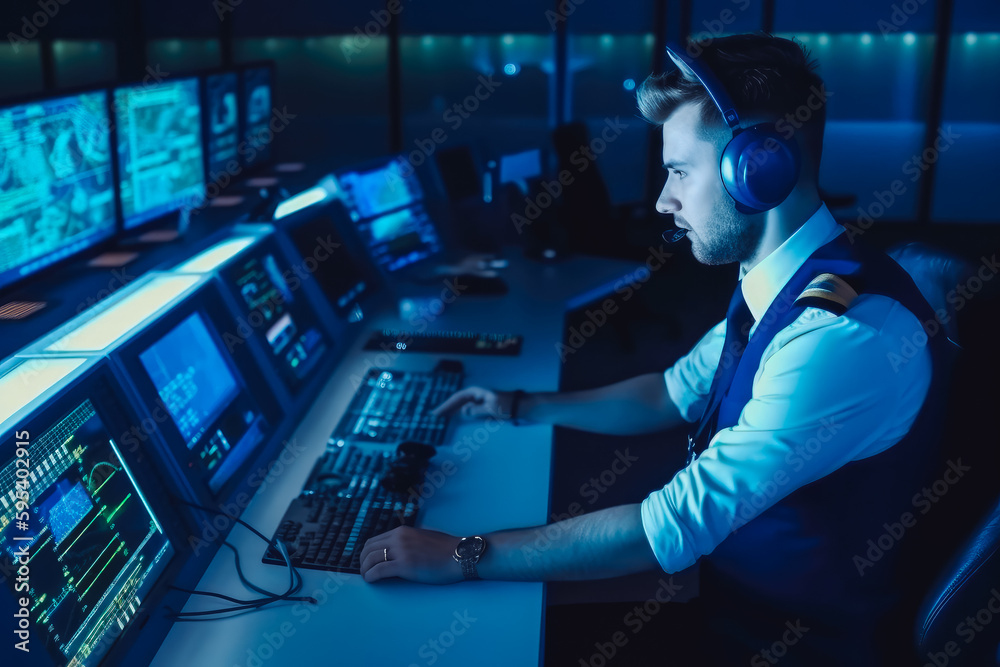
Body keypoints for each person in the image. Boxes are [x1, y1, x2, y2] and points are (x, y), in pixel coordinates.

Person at [360, 33, 948, 665]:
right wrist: (519, 405)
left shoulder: (837, 337)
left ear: (759, 169)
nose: (664, 200)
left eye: (679, 171)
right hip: (729, 596)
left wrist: (460, 553)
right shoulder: (782, 285)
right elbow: (666, 393)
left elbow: (665, 528)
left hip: (789, 640)